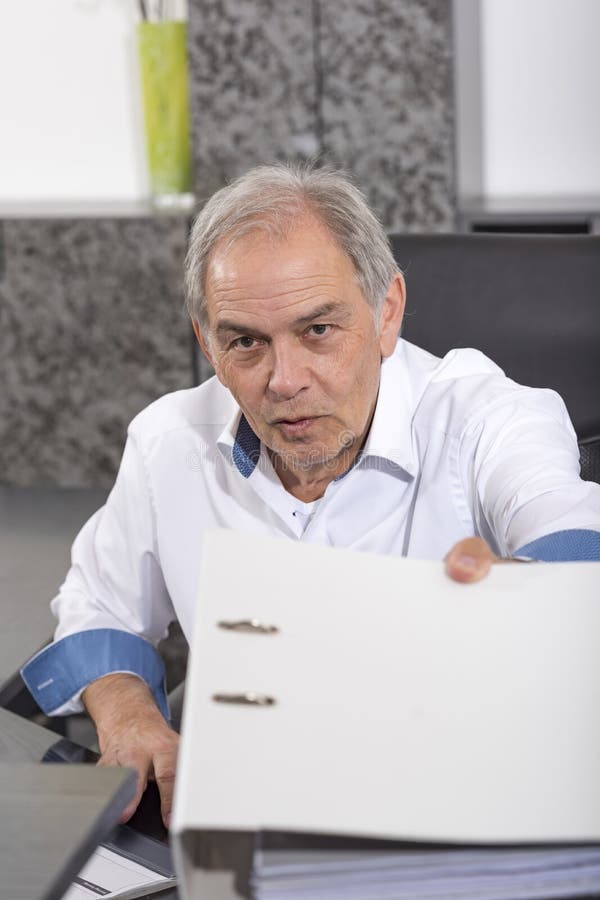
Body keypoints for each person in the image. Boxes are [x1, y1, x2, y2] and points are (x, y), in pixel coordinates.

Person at [22, 164, 600, 829]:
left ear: (387, 311)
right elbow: (98, 605)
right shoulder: (169, 442)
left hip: (451, 804)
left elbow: (571, 528)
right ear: (207, 342)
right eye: (246, 342)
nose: (284, 381)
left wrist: (527, 597)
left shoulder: (490, 418)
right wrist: (129, 716)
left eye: (318, 331)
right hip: (248, 816)